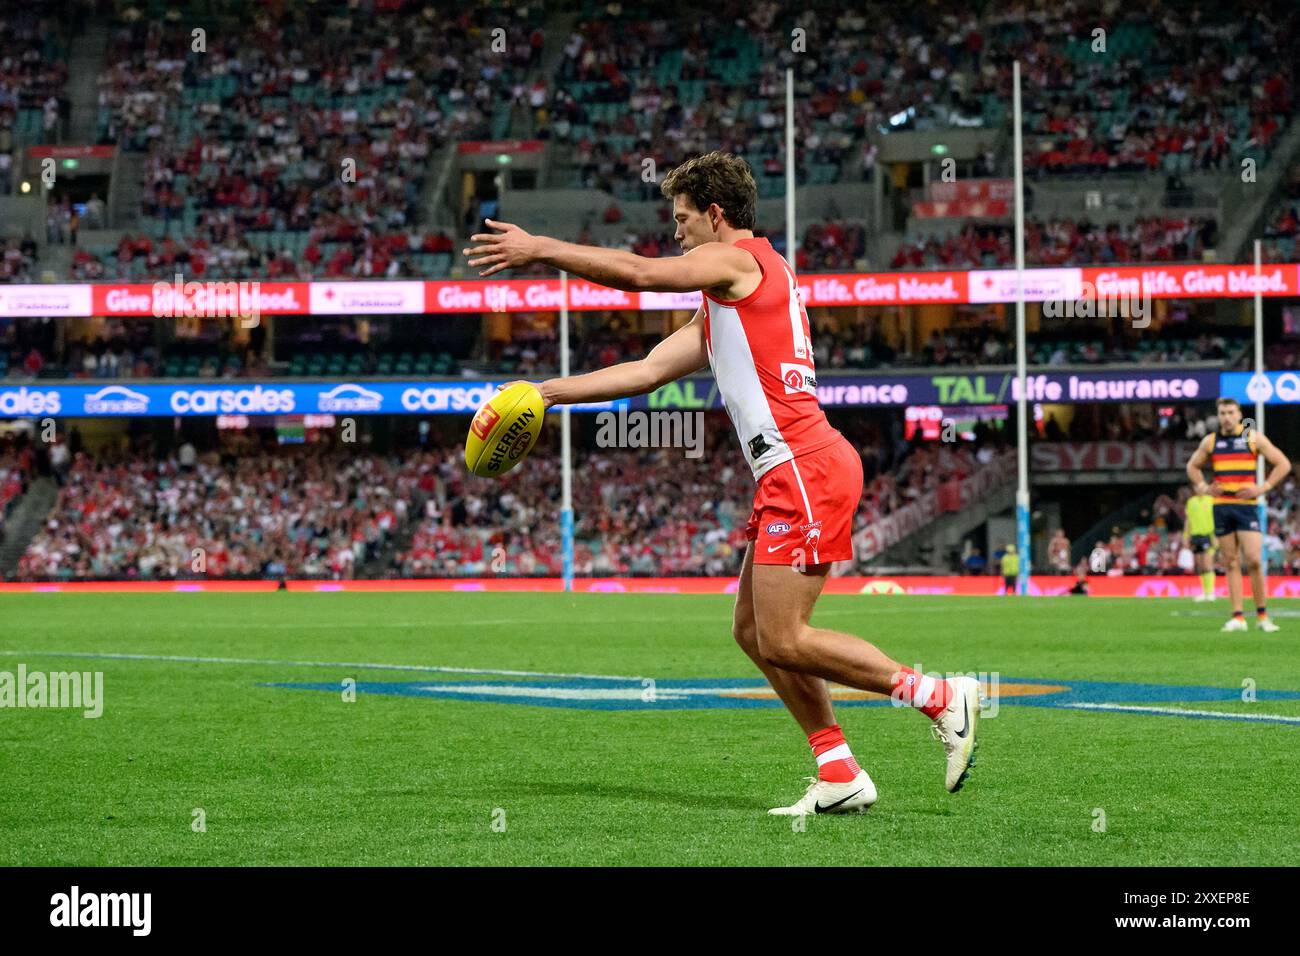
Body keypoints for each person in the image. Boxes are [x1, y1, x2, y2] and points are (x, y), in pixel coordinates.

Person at [465, 151, 981, 815]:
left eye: (682, 219)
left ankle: (939, 697)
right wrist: (545, 392)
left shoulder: (739, 261)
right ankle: (839, 770)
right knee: (752, 630)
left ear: (716, 215)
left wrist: (541, 248)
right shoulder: (733, 295)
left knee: (787, 637)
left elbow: (639, 274)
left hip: (802, 465)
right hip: (794, 467)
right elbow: (648, 371)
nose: (675, 233)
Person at [1186, 397, 1291, 631]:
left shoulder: (1250, 437)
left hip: (1247, 505)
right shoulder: (1211, 441)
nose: (1226, 417)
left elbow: (1283, 463)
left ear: (1239, 414)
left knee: (1253, 560)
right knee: (1230, 562)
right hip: (1222, 505)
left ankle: (1262, 617)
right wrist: (1203, 488)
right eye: (1222, 413)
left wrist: (1263, 488)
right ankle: (1237, 617)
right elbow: (1192, 467)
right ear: (1218, 415)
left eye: (1231, 412)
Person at [1182, 486, 1217, 602]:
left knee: (1207, 564)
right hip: (1195, 536)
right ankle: (1205, 592)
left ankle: (1211, 592)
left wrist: (1216, 536)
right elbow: (1188, 520)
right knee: (1200, 566)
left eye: (1202, 487)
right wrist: (1186, 536)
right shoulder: (1191, 502)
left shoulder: (1211, 500)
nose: (1199, 489)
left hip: (1208, 535)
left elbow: (1217, 518)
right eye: (1197, 487)